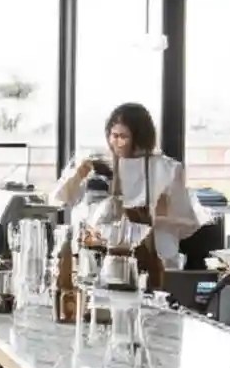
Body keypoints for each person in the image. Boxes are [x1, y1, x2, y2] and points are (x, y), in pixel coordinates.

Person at [51, 102, 207, 290]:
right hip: (99, 260)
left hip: (152, 264)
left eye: (123, 137)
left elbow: (185, 221)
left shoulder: (166, 169)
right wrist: (77, 174)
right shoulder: (99, 165)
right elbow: (60, 199)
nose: (116, 142)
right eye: (113, 136)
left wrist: (154, 218)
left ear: (140, 137)